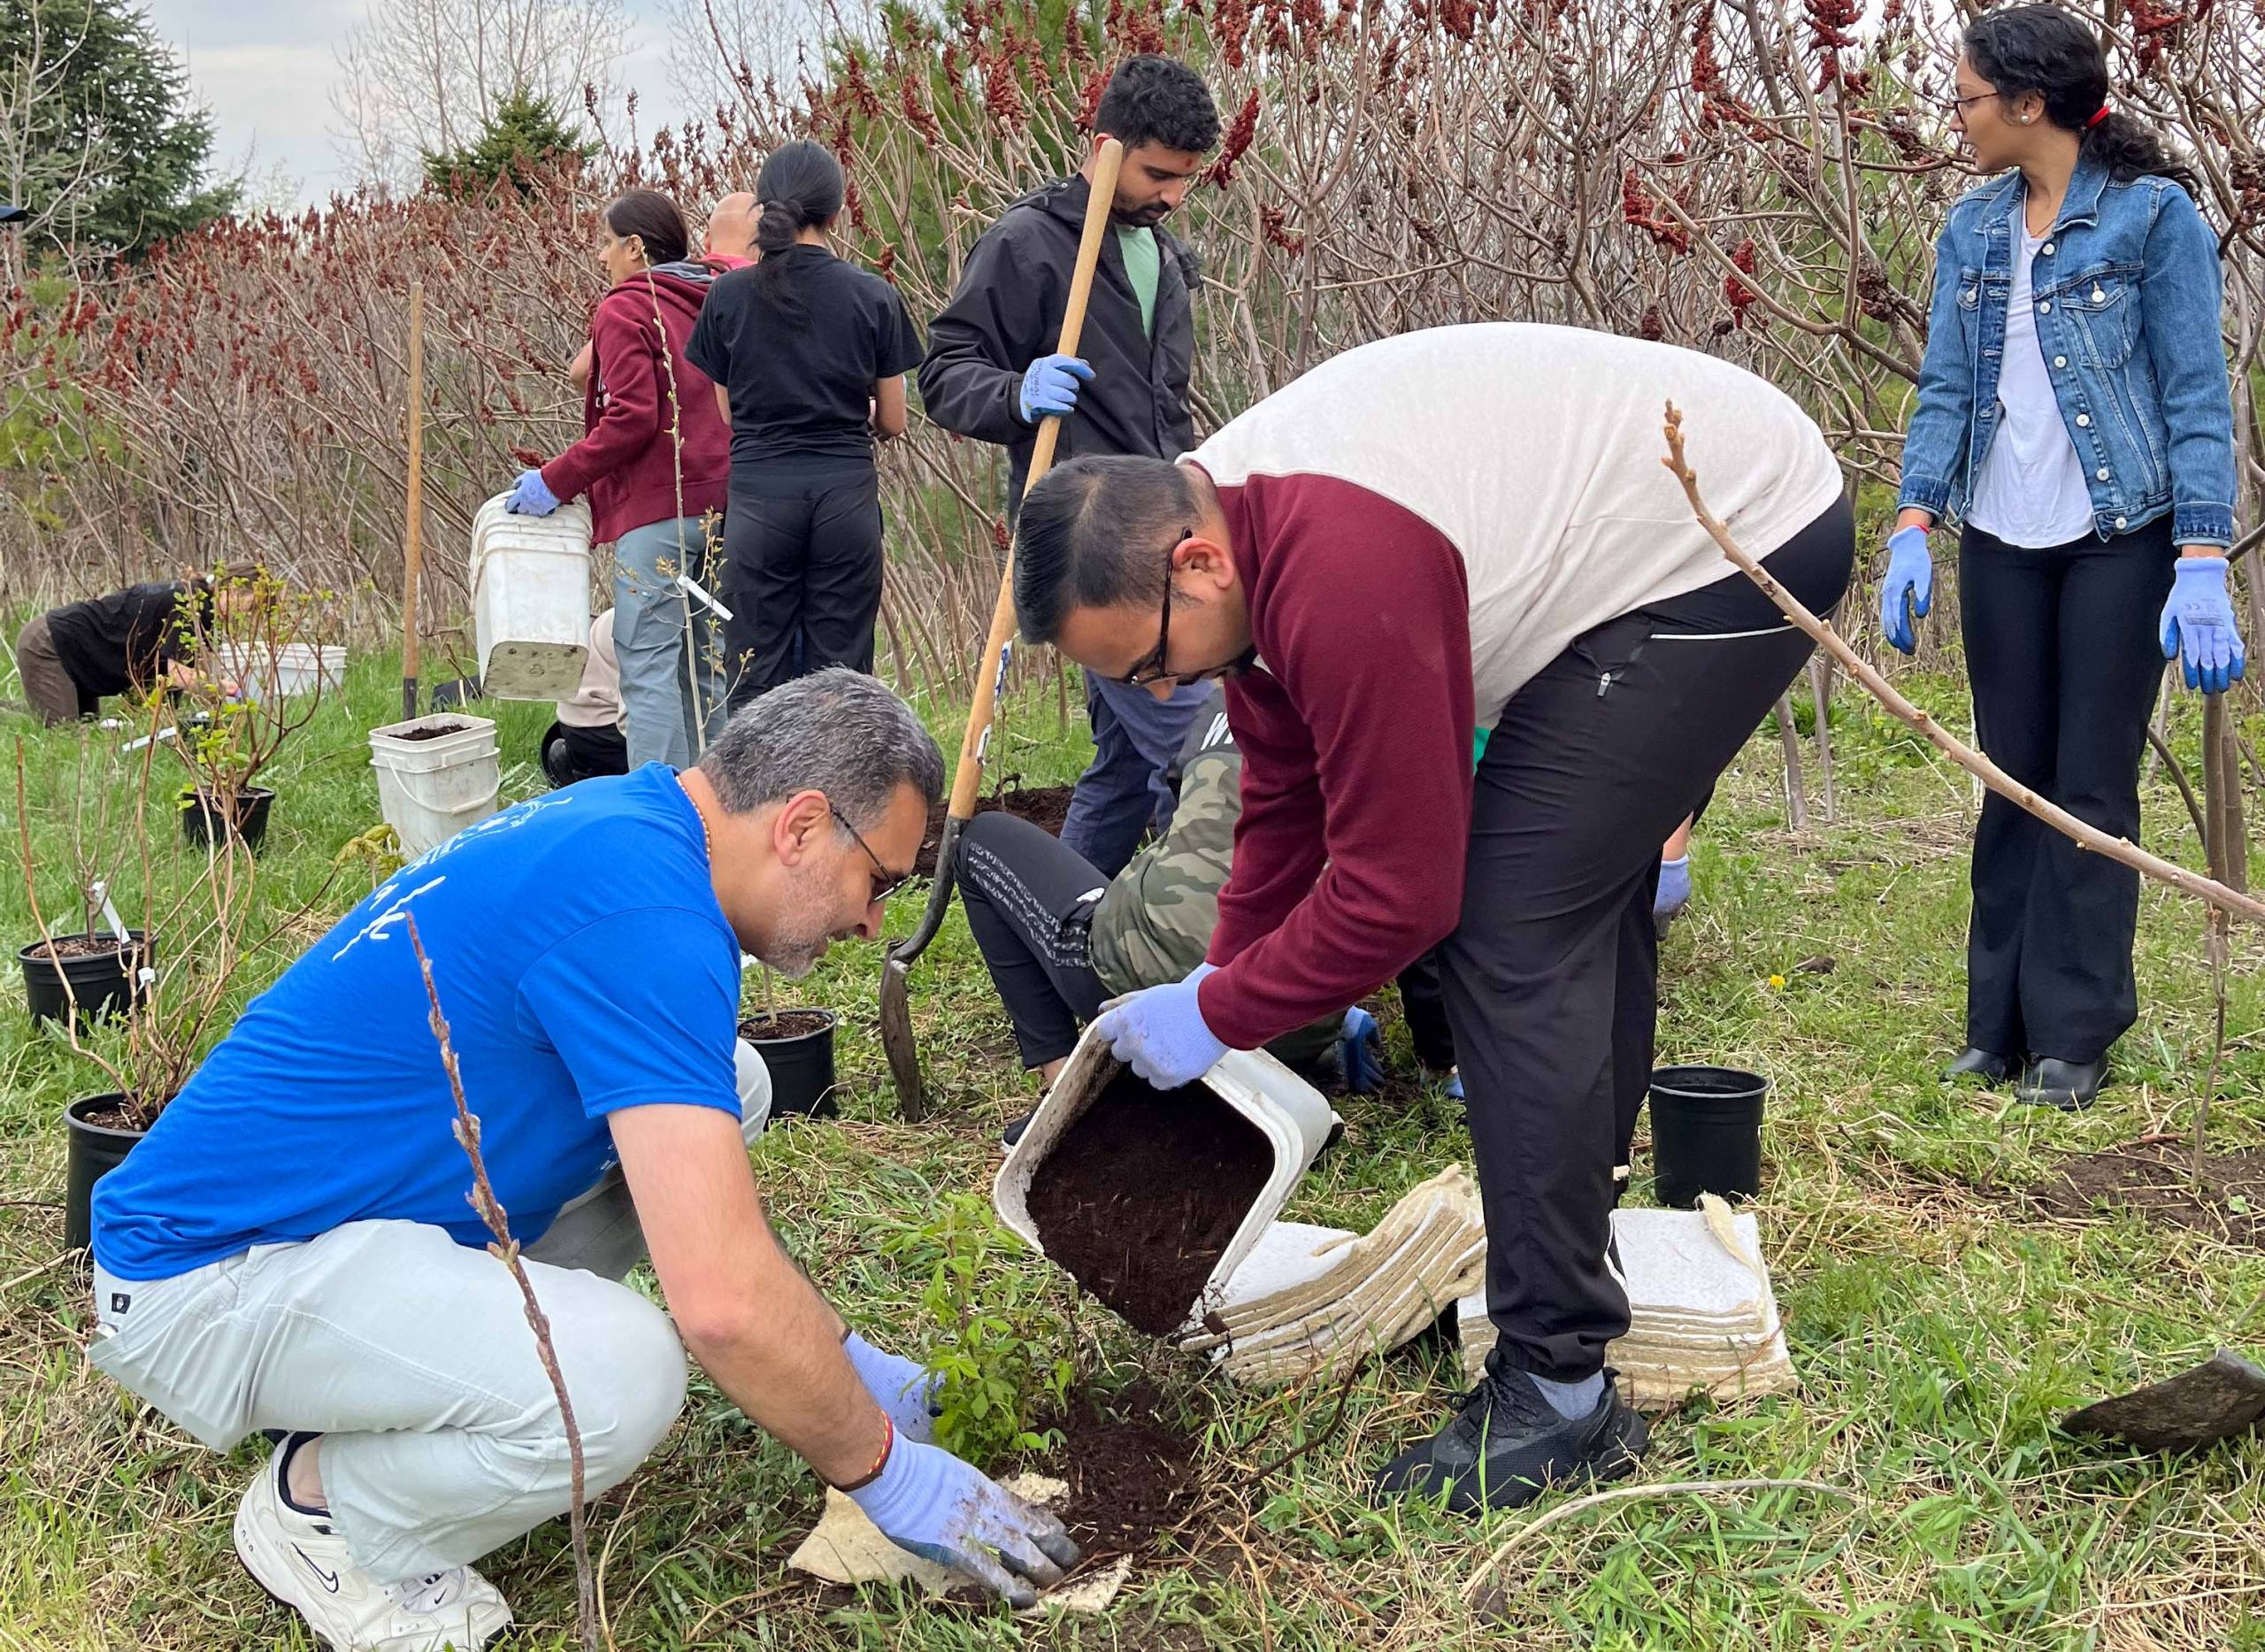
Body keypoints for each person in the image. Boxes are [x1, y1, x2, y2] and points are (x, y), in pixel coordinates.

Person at [1009, 322, 1854, 1514]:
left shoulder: (1337, 564)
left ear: (1194, 563)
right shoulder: (1231, 558)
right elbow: (1286, 807)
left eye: (1150, 662)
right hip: (1640, 543)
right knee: (1558, 893)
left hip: (1731, 528)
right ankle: (1574, 1208)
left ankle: (1559, 1382)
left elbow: (1402, 892)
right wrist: (1226, 988)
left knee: (1512, 921)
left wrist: (1219, 1006)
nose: (1160, 691)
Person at [83, 671, 1079, 1651]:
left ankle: (412, 1387)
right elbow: (722, 1300)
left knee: (730, 1083)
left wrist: (853, 1364)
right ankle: (327, 1512)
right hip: (205, 1281)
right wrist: (884, 1470)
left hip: (334, 1218)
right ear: (802, 824)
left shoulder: (632, 826)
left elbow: (709, 1216)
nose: (872, 922)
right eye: (881, 882)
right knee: (622, 1375)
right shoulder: (646, 924)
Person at [1881, 5, 2238, 1112]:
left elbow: (2192, 389)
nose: (1959, 116)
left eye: (1968, 97)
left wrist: (2202, 550)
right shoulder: (1973, 229)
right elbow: (1944, 385)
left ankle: (2074, 1034)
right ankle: (1996, 1026)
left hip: (2116, 539)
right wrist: (1911, 521)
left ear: (2029, 103)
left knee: (2088, 786)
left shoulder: (2150, 220)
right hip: (2001, 538)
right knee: (2009, 783)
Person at [921, 54, 1221, 879]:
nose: (1172, 196)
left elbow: (1166, 404)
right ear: (1105, 148)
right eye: (1159, 174)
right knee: (1202, 759)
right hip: (1096, 551)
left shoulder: (1163, 256)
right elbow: (945, 370)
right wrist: (1019, 392)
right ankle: (1219, 953)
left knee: (1126, 770)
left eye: (1186, 180)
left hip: (1170, 532)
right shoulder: (1032, 244)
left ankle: (1060, 935)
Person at [960, 684, 1364, 1143]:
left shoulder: (1232, 695)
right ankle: (1262, 1086)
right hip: (1296, 1021)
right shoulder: (1374, 719)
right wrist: (1429, 1053)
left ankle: (1070, 1090)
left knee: (981, 840)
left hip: (1153, 995)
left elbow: (1183, 841)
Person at [689, 142, 923, 707]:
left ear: (763, 209)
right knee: (841, 678)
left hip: (758, 501)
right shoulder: (873, 295)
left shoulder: (727, 296)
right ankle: (839, 793)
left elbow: (728, 413)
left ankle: (760, 792)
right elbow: (893, 420)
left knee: (754, 671)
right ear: (836, 213)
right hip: (843, 495)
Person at [510, 189, 732, 770]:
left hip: (658, 519)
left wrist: (555, 480)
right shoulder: (714, 297)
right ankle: (722, 809)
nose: (602, 256)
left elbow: (631, 418)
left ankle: (660, 819)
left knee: (650, 665)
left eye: (608, 243)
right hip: (726, 510)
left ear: (636, 246)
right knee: (705, 664)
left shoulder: (625, 308)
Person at [13, 564, 257, 725]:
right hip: (49, 645)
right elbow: (177, 672)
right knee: (63, 733)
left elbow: (163, 671)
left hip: (83, 657)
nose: (248, 616)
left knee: (88, 729)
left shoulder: (204, 611)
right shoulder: (188, 603)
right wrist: (220, 689)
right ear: (233, 589)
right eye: (252, 606)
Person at [541, 609, 631, 788]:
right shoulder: (639, 629)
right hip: (599, 728)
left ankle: (577, 764)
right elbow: (632, 722)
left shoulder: (619, 613)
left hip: (571, 721)